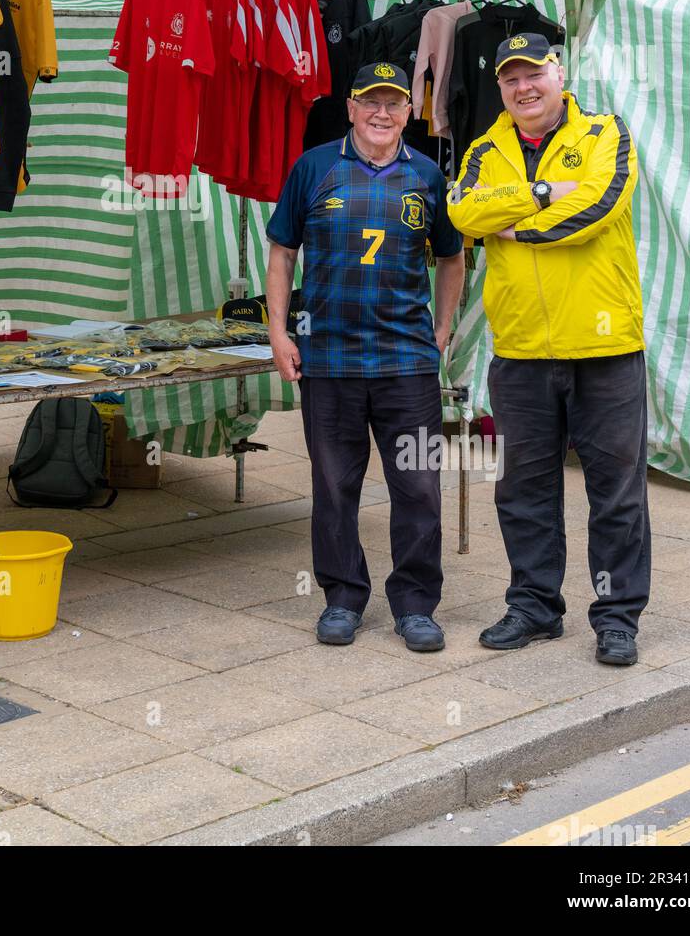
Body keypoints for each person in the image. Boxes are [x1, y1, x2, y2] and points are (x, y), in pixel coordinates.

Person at [446, 34, 649, 667]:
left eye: (533, 73)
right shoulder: (483, 149)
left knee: (615, 492)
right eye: (510, 79)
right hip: (522, 350)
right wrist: (538, 193)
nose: (523, 87)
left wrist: (515, 227)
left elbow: (598, 207)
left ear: (558, 73)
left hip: (604, 345)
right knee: (523, 490)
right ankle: (534, 607)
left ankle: (616, 618)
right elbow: (462, 213)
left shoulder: (605, 133)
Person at [266, 62, 465, 652]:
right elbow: (281, 253)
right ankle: (343, 598)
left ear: (409, 111)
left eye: (394, 103)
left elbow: (451, 258)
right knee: (334, 486)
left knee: (419, 487)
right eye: (370, 102)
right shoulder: (314, 167)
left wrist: (444, 326)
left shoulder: (427, 175)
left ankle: (415, 605)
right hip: (329, 362)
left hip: (407, 365)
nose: (382, 113)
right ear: (350, 108)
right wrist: (279, 333)